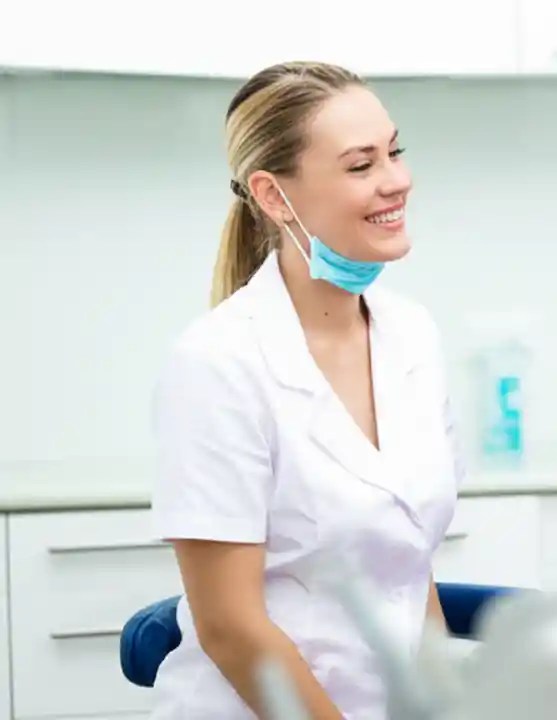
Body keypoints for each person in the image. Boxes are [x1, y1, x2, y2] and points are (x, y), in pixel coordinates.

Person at [147, 61, 462, 719]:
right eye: (361, 165)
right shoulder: (218, 363)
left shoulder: (414, 336)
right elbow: (232, 628)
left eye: (395, 151)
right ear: (273, 195)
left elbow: (407, 568)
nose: (396, 180)